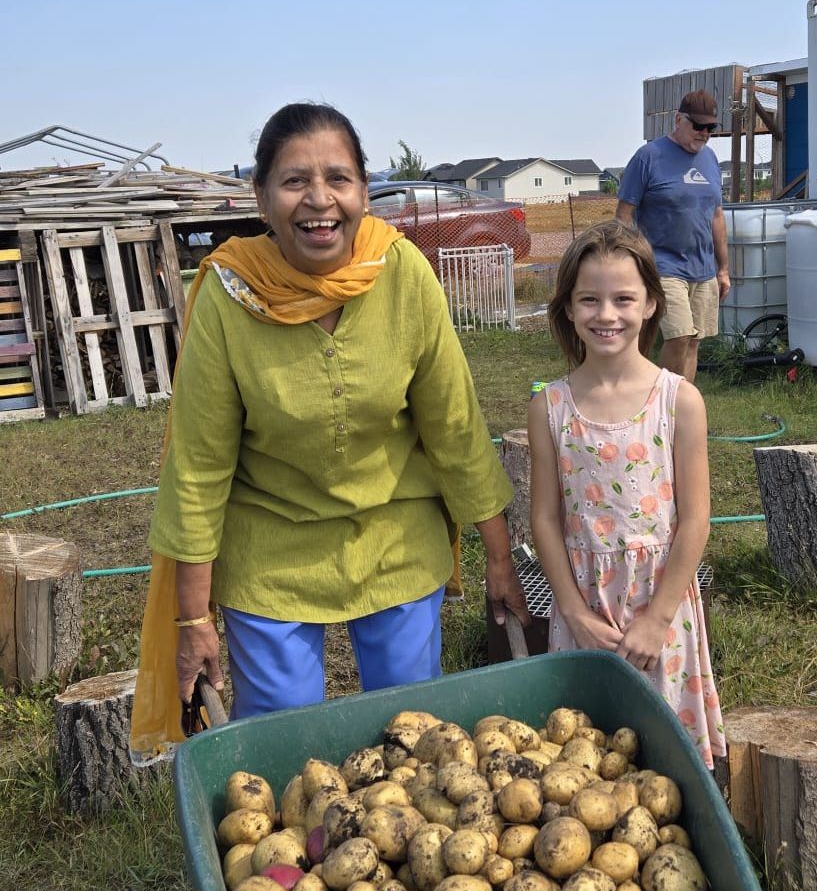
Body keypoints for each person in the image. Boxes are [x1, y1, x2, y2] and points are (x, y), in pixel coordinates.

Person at [133, 101, 529, 741]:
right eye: (294, 181)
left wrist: (500, 559)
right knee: (283, 745)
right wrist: (191, 619)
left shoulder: (401, 272)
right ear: (261, 198)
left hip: (396, 531)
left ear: (365, 193)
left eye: (338, 179)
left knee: (415, 738)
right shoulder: (231, 295)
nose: (319, 200)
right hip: (271, 545)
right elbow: (199, 468)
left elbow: (454, 427)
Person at [527, 221, 725, 767]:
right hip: (585, 608)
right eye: (589, 299)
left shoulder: (679, 401)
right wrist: (571, 611)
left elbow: (696, 520)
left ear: (652, 304)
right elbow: (544, 519)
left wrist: (658, 619)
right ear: (568, 308)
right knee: (584, 757)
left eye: (623, 299)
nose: (606, 314)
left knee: (666, 762)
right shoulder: (550, 407)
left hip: (659, 608)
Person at [615, 90, 730, 385]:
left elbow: (716, 215)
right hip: (661, 266)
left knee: (694, 342)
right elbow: (623, 216)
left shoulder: (710, 159)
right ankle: (657, 402)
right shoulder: (648, 157)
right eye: (697, 126)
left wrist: (723, 268)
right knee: (679, 336)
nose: (704, 133)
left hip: (703, 270)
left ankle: (681, 408)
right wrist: (625, 265)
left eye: (710, 128)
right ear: (678, 119)